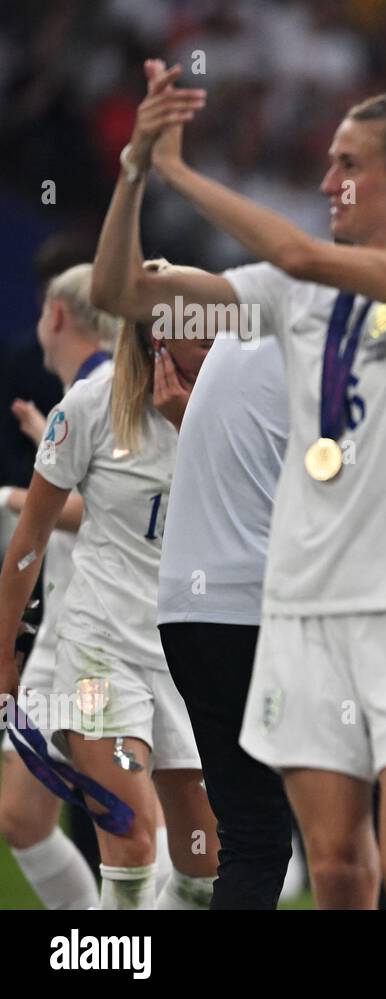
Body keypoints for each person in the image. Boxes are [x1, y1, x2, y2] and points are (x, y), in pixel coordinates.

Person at [91, 60, 386, 909]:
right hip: (304, 617)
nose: (329, 179)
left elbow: (299, 251)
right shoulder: (283, 295)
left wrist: (178, 170)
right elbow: (123, 292)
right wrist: (133, 171)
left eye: (350, 163)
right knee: (339, 871)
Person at [0, 256, 218, 911]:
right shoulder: (89, 409)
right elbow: (29, 541)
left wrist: (190, 424)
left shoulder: (228, 410)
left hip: (189, 652)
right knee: (127, 838)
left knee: (205, 863)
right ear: (158, 334)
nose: (215, 348)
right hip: (100, 648)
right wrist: (5, 657)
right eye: (201, 335)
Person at [0, 264, 114, 909]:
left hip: (105, 633)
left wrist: (17, 497)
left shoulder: (103, 391)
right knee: (22, 814)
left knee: (124, 813)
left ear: (58, 316)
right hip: (63, 631)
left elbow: (112, 510)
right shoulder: (87, 395)